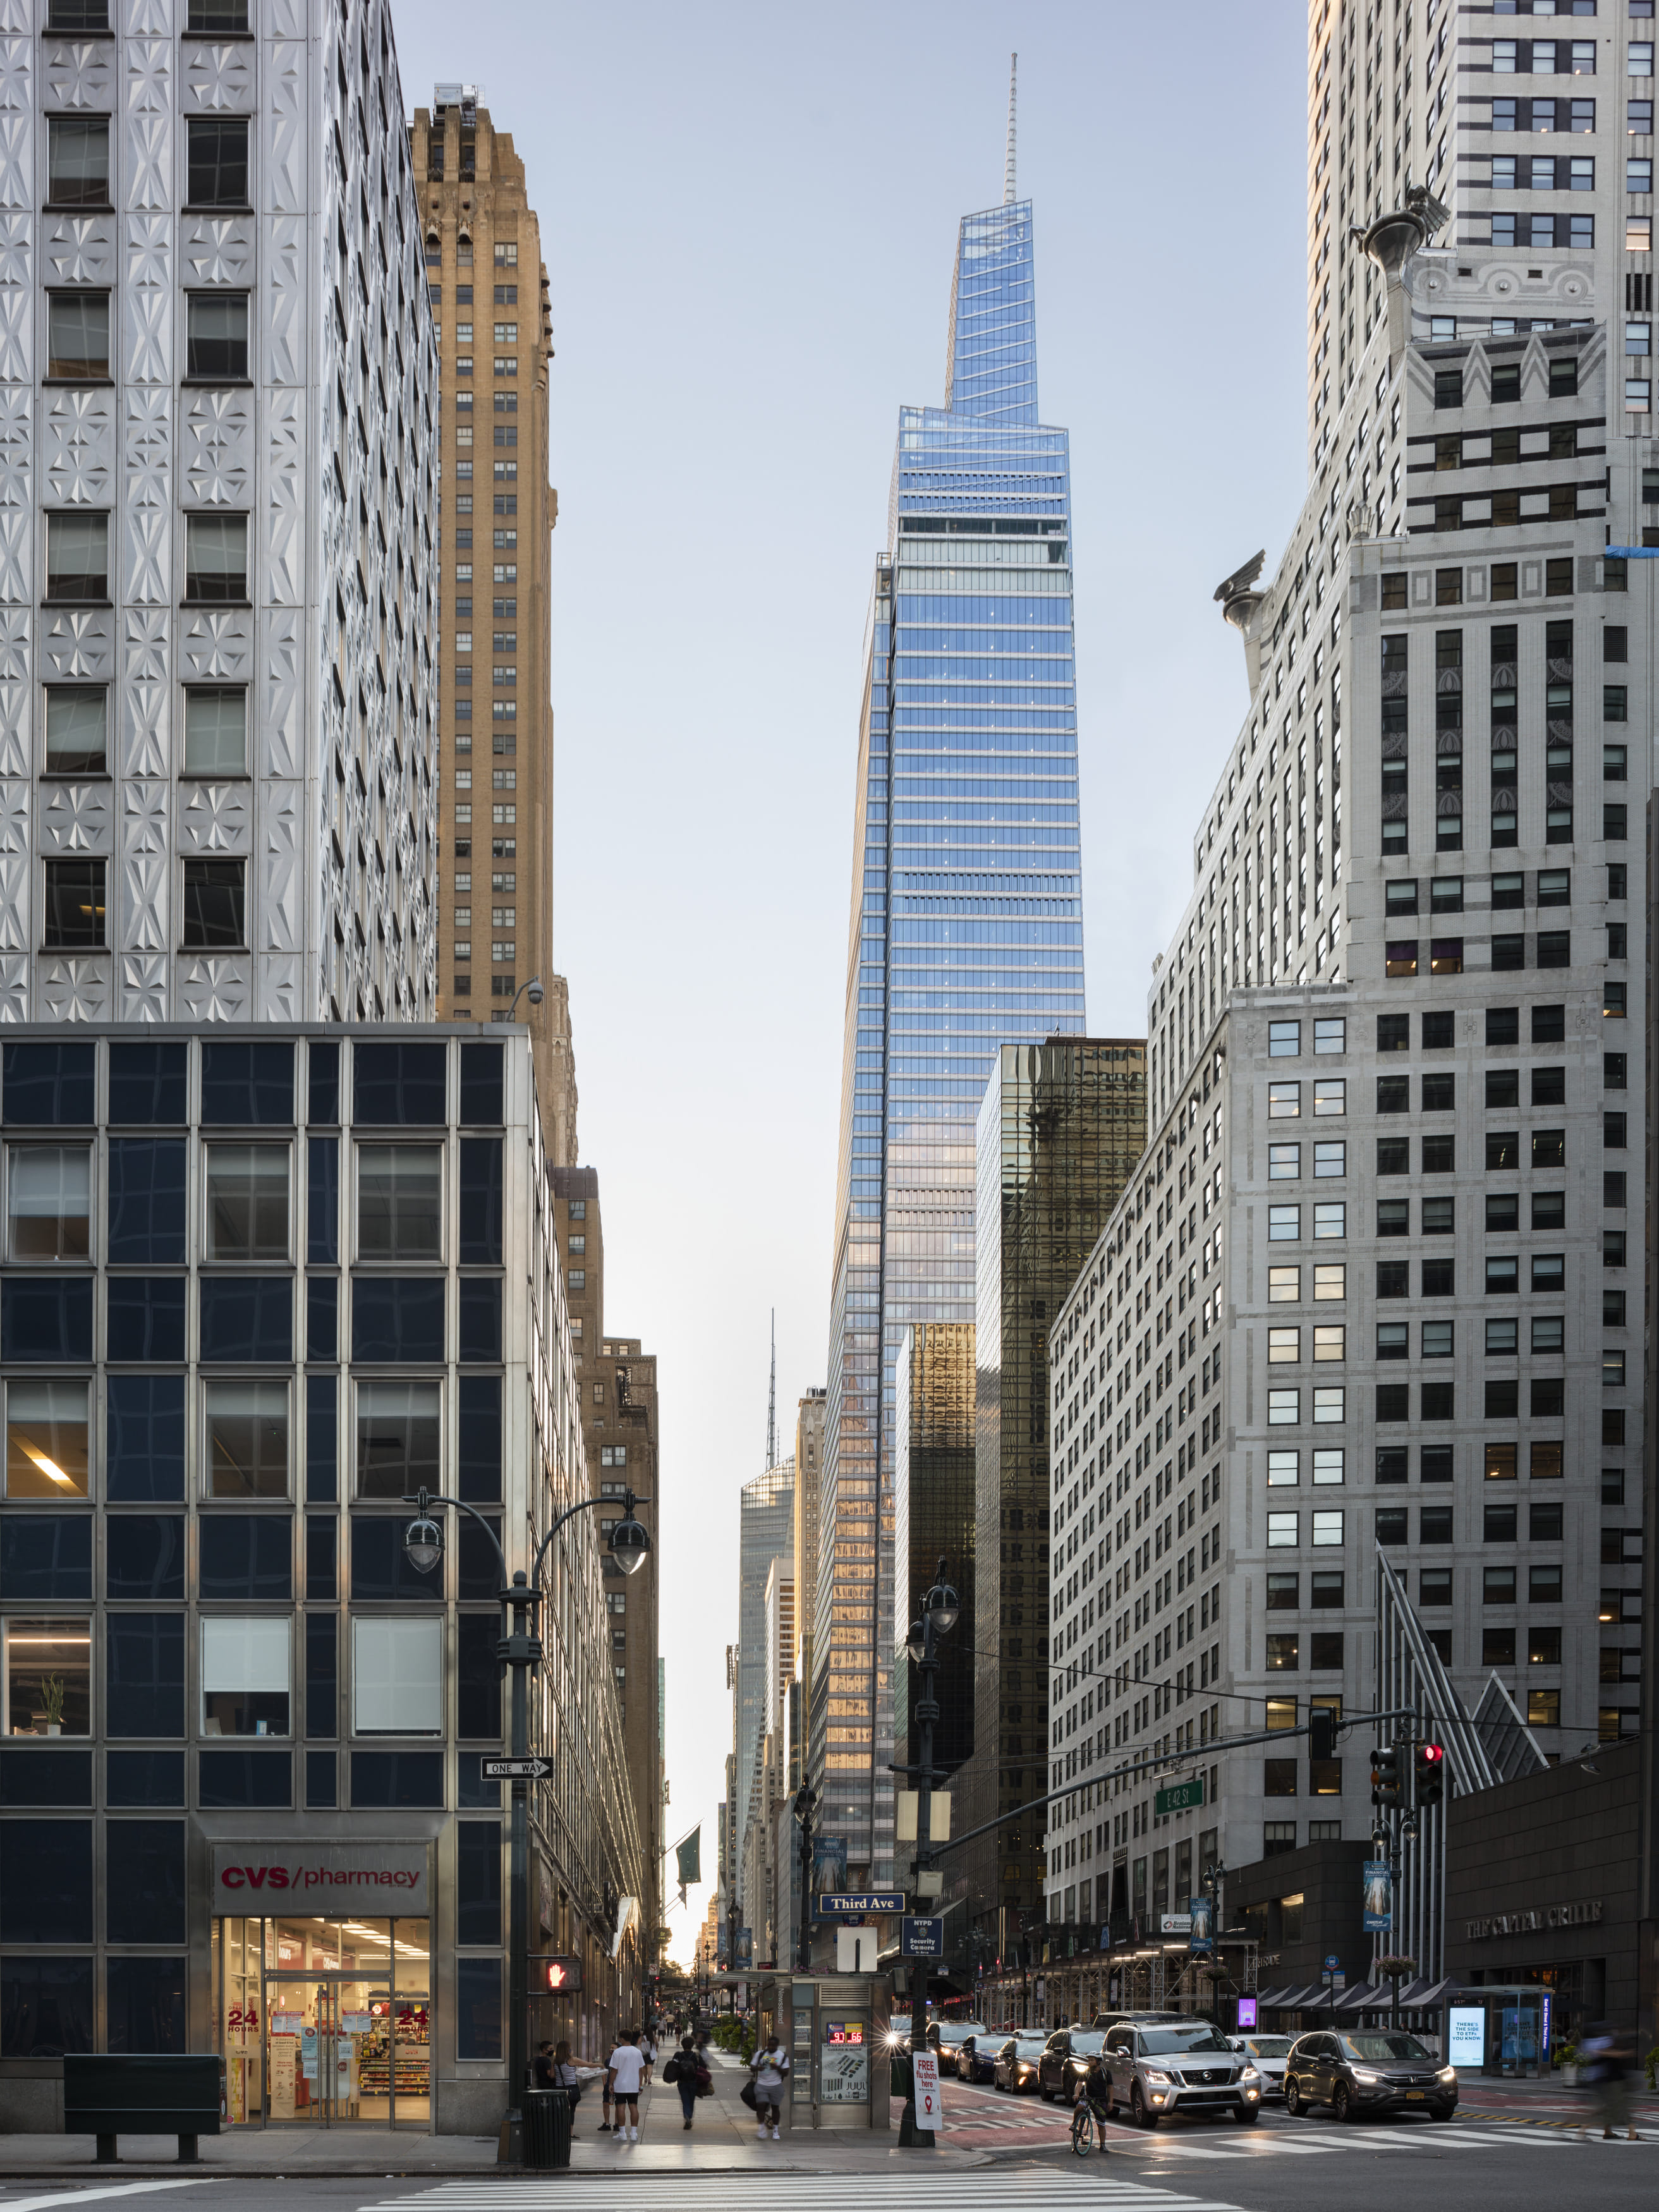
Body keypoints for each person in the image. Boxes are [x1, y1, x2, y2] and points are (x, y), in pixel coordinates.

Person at [1584, 2021, 1640, 2142]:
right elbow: (1603, 2053)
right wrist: (1622, 2054)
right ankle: (1632, 2133)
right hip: (1613, 2080)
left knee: (1611, 2107)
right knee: (1620, 2106)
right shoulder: (1607, 2041)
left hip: (1611, 2079)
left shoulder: (1607, 2041)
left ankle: (1607, 2131)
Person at [605, 2027, 647, 2144]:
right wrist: (640, 2084)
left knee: (621, 2107)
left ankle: (622, 2133)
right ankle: (634, 2133)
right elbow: (640, 2070)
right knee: (634, 2107)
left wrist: (611, 2084)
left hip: (621, 2085)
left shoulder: (617, 2052)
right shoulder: (637, 2052)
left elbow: (614, 2070)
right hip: (634, 2085)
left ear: (622, 2039)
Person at [749, 2031, 789, 2141]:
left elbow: (786, 2073)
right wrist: (759, 2068)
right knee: (761, 2106)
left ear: (777, 2046)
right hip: (761, 2085)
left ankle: (776, 2131)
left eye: (773, 2045)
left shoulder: (782, 2056)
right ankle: (761, 2129)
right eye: (769, 2045)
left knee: (775, 2108)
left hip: (776, 2085)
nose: (771, 2047)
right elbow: (752, 2067)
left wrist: (777, 2068)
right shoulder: (760, 2054)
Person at [665, 2029, 706, 2130]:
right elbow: (704, 2067)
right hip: (693, 2081)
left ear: (683, 2045)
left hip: (682, 2081)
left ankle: (687, 2116)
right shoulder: (696, 2056)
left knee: (685, 2100)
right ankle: (689, 2116)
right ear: (692, 2045)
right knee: (691, 2100)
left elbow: (673, 2066)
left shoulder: (678, 2055)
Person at [1081, 2052, 1114, 2152]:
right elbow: (1079, 2084)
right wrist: (1076, 2094)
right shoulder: (1086, 2072)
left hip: (1101, 2100)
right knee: (1080, 2108)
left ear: (1098, 2062)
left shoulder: (1105, 2073)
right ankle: (1077, 2129)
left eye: (1092, 2060)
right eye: (1089, 2060)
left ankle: (1103, 2145)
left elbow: (1110, 2088)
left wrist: (1111, 2102)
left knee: (1101, 2123)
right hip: (1088, 2098)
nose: (1090, 2062)